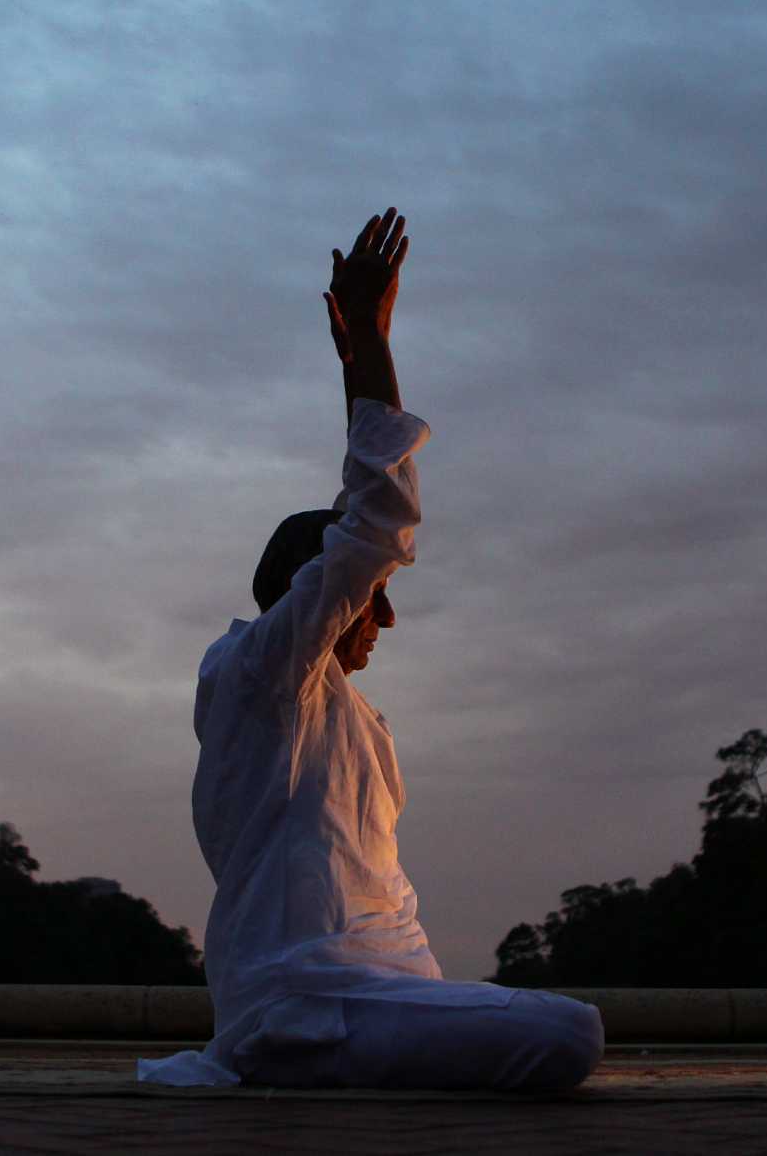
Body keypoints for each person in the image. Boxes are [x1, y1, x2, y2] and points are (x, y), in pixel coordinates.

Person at [137, 208, 604, 1091]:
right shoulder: (260, 675)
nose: (382, 621)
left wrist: (439, 1009)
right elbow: (373, 523)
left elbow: (385, 900)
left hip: (375, 998)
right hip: (299, 1003)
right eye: (371, 599)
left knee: (540, 1026)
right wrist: (366, 353)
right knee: (571, 1032)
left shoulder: (354, 723)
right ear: (316, 594)